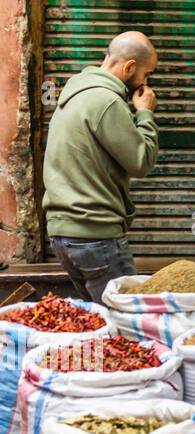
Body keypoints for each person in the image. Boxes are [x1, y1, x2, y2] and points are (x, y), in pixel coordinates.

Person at [43, 31, 159, 303]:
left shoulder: (74, 93)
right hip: (95, 235)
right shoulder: (106, 101)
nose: (146, 82)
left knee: (101, 320)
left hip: (63, 235)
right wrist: (145, 112)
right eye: (146, 74)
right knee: (130, 320)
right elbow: (141, 162)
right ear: (129, 67)